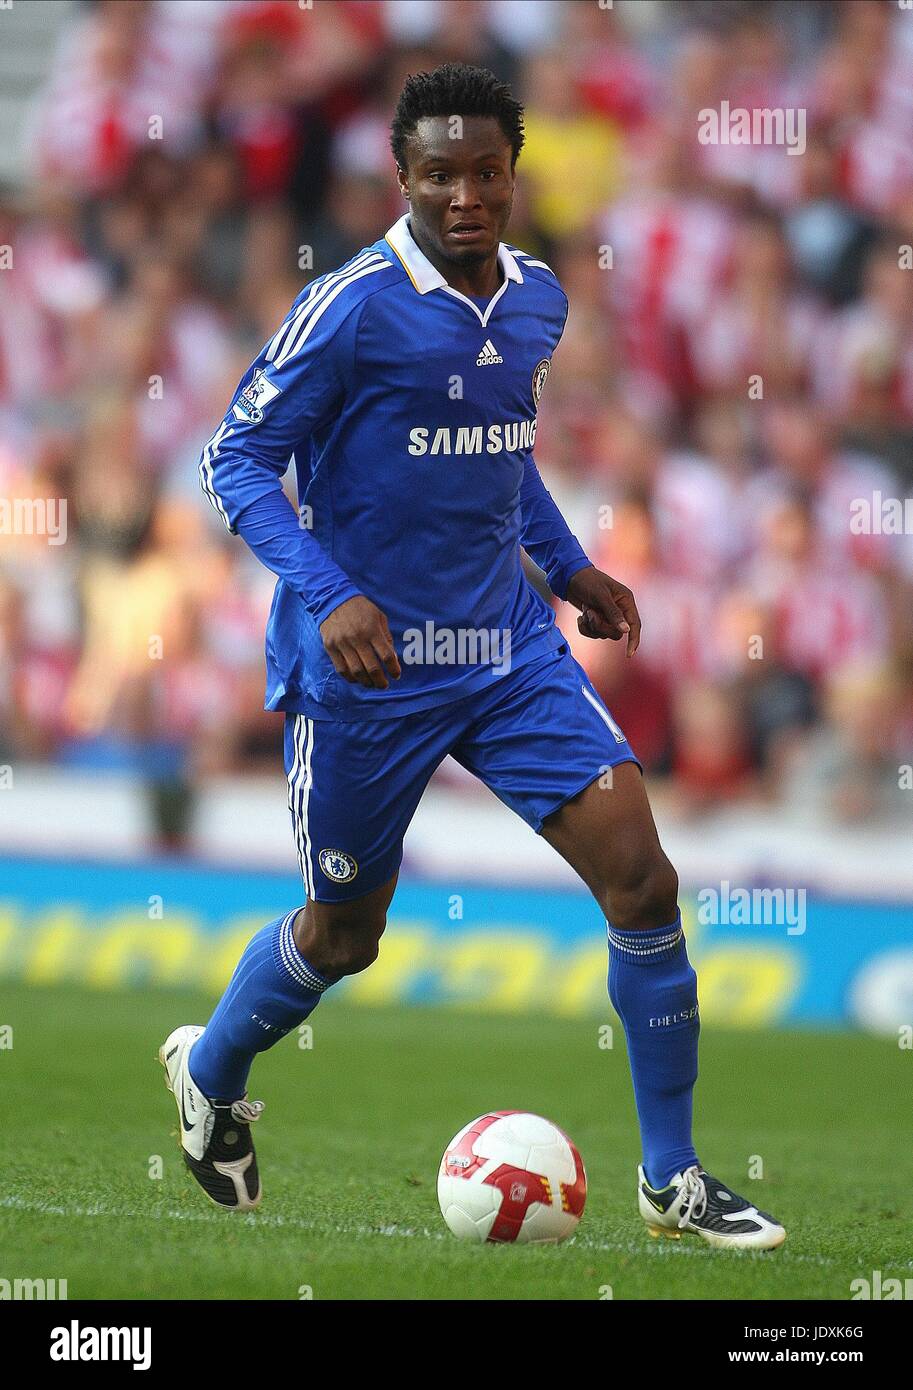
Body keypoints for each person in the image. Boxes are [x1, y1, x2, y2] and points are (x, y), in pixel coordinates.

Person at [160, 63, 784, 1250]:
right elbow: (234, 460)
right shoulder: (349, 307)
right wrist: (332, 591)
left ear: (512, 175)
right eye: (438, 173)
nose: (463, 194)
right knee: (345, 932)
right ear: (401, 178)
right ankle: (214, 1069)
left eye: (484, 172)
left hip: (503, 651)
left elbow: (503, 454)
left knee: (642, 882)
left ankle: (673, 1175)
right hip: (369, 674)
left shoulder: (539, 300)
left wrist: (566, 566)